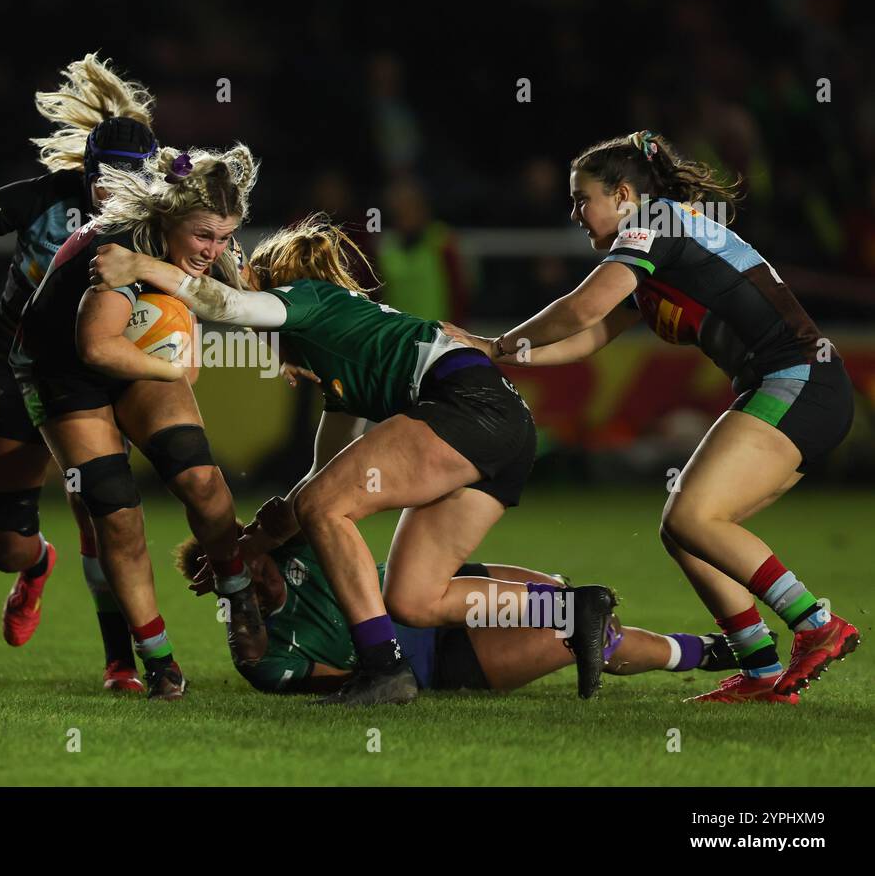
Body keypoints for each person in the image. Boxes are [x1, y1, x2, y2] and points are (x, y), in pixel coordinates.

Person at [90, 214, 618, 707]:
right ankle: (574, 608)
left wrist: (139, 266)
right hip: (504, 428)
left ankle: (384, 667)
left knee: (326, 509)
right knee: (412, 598)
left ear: (273, 281)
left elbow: (227, 306)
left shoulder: (309, 298)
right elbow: (322, 475)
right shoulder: (341, 358)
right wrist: (246, 544)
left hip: (468, 407)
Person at [446, 131, 858, 704]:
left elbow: (583, 307)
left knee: (695, 517)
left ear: (622, 195)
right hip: (794, 386)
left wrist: (496, 345)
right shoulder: (654, 250)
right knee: (687, 530)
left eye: (580, 199)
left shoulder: (656, 224)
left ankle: (816, 625)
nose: (574, 214)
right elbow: (590, 336)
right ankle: (762, 670)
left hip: (800, 382)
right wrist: (502, 354)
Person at [12, 145, 265, 700]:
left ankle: (238, 592)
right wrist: (176, 366)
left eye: (224, 237)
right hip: (62, 370)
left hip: (133, 350)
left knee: (202, 481)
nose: (213, 250)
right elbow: (97, 348)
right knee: (117, 513)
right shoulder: (120, 248)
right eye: (204, 236)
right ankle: (159, 662)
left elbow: (245, 302)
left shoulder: (204, 246)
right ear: (169, 217)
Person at [0, 54, 161, 691]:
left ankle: (120, 662)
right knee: (5, 547)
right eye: (103, 178)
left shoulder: (159, 222)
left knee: (101, 513)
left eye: (129, 180)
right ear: (85, 172)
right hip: (12, 374)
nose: (113, 192)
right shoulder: (44, 200)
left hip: (85, 381)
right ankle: (36, 566)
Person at [173, 523, 748, 695]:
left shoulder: (294, 543)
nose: (257, 572)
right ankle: (705, 653)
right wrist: (238, 593)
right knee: (587, 635)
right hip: (444, 660)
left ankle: (727, 650)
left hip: (443, 592)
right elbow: (358, 681)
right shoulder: (269, 660)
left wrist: (248, 537)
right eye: (239, 577)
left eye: (249, 559)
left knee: (567, 603)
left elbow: (304, 506)